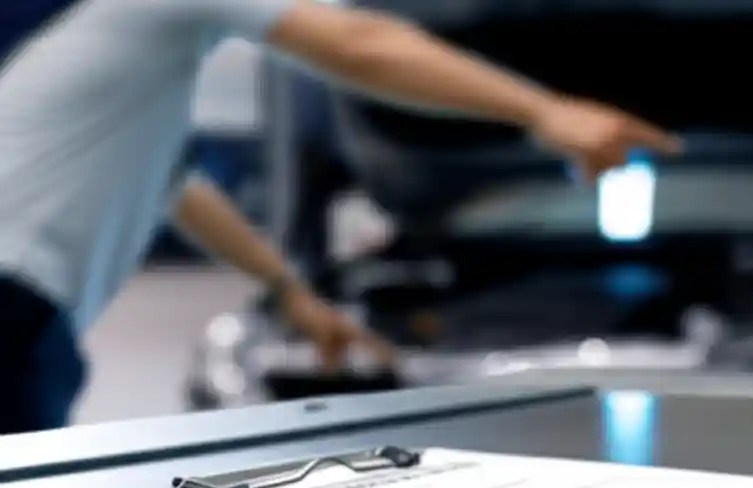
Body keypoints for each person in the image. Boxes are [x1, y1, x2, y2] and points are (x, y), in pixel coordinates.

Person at [0, 0, 682, 435]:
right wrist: (543, 111)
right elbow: (357, 43)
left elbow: (179, 190)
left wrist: (291, 294)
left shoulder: (103, 57)